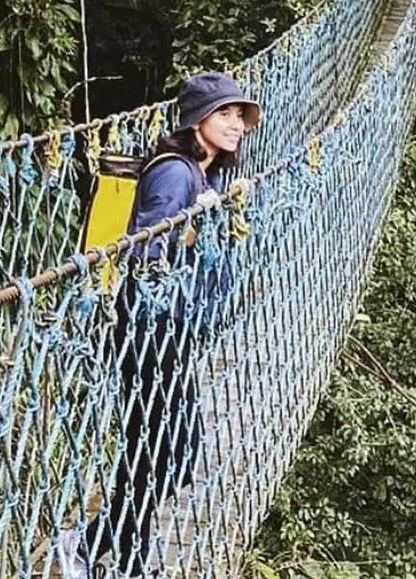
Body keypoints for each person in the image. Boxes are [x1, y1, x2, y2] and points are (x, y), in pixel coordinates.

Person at [60, 71, 260, 578]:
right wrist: (195, 230)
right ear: (197, 120)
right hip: (147, 327)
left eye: (239, 115)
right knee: (165, 448)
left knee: (160, 448)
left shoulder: (206, 171)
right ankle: (98, 549)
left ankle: (107, 552)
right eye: (225, 114)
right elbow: (144, 248)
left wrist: (221, 204)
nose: (236, 125)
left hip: (172, 329)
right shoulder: (174, 173)